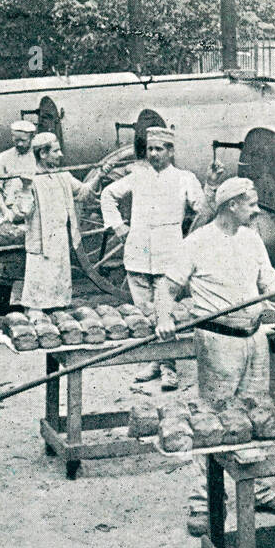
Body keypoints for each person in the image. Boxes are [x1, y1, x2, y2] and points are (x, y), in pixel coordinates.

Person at [155, 177, 275, 533]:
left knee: (256, 418)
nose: (256, 210)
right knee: (214, 424)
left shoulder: (253, 240)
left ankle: (258, 491)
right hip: (218, 341)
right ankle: (205, 502)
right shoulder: (198, 242)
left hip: (255, 340)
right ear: (232, 205)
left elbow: (270, 288)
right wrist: (163, 318)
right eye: (251, 204)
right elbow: (167, 287)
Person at [99, 126, 216, 390]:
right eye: (150, 149)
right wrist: (118, 226)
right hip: (137, 253)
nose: (153, 154)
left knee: (166, 312)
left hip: (169, 256)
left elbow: (203, 210)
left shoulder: (185, 178)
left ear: (171, 151)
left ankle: (168, 368)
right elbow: (108, 195)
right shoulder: (137, 176)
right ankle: (155, 361)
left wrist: (210, 186)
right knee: (145, 312)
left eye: (159, 149)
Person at [21, 132, 113, 311]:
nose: (61, 155)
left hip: (61, 240)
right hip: (40, 243)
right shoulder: (30, 179)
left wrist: (101, 175)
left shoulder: (63, 176)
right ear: (43, 154)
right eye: (56, 151)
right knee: (37, 295)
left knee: (58, 290)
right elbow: (23, 211)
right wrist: (25, 187)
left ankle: (57, 317)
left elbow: (83, 192)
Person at [0, 121, 42, 311]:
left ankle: (35, 307)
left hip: (34, 217)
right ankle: (2, 310)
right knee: (9, 265)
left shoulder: (38, 159)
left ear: (32, 138)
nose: (19, 144)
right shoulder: (4, 158)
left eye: (23, 140)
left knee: (35, 264)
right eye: (15, 139)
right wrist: (4, 210)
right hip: (11, 216)